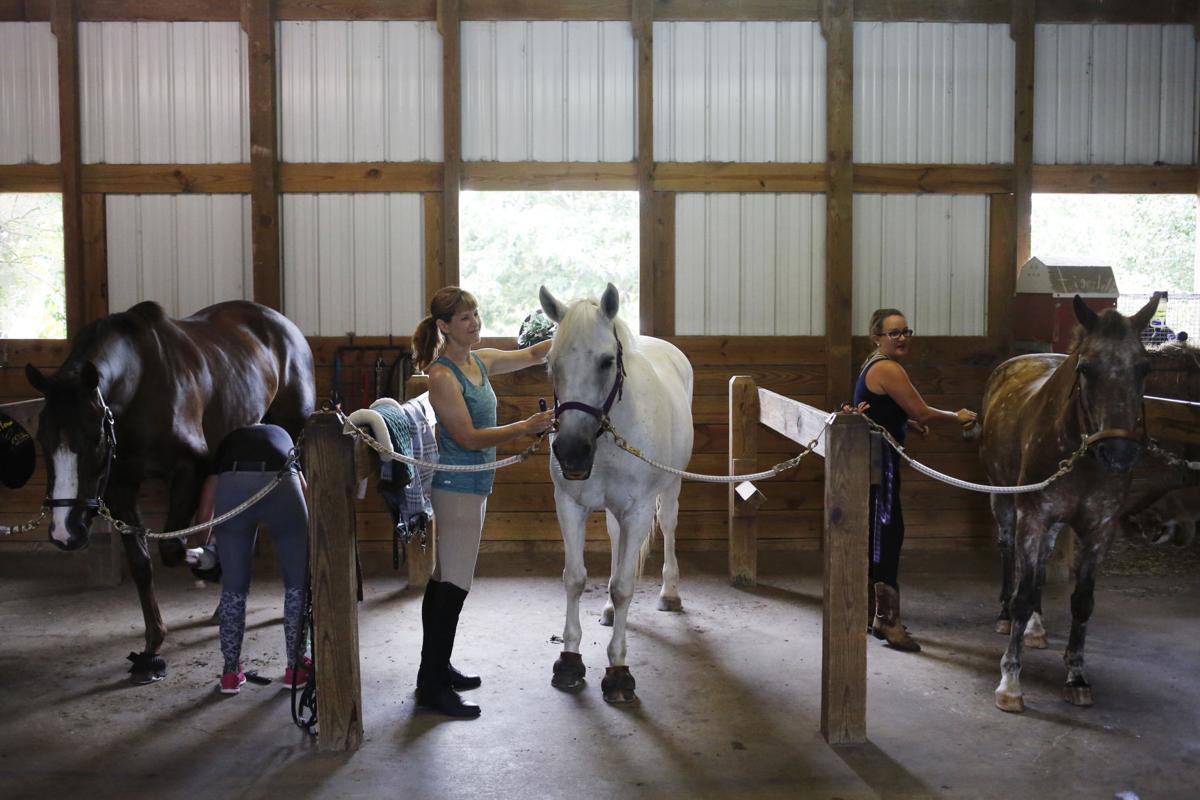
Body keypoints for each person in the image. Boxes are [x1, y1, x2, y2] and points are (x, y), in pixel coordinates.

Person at [411, 286, 554, 718]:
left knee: (443, 581)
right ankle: (433, 687)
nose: (474, 322)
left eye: (475, 314)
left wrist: (574, 329)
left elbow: (531, 356)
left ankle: (434, 670)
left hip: (474, 486)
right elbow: (468, 438)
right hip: (456, 487)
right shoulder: (441, 376)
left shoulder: (479, 361)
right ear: (443, 327)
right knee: (454, 585)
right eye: (464, 318)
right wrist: (525, 426)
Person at [852, 309, 977, 653]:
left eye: (906, 331)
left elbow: (888, 411)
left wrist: (905, 424)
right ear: (877, 338)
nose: (902, 337)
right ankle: (887, 622)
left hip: (878, 459)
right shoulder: (887, 368)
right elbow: (921, 409)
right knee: (889, 534)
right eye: (894, 333)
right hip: (882, 463)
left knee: (881, 533)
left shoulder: (873, 363)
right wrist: (958, 417)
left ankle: (873, 613)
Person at [191, 423, 310, 694]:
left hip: (233, 484)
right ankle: (295, 669)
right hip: (284, 483)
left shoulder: (230, 440)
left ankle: (230, 674)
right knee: (296, 587)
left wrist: (203, 541)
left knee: (233, 589)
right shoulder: (283, 434)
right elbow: (304, 489)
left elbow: (209, 493)